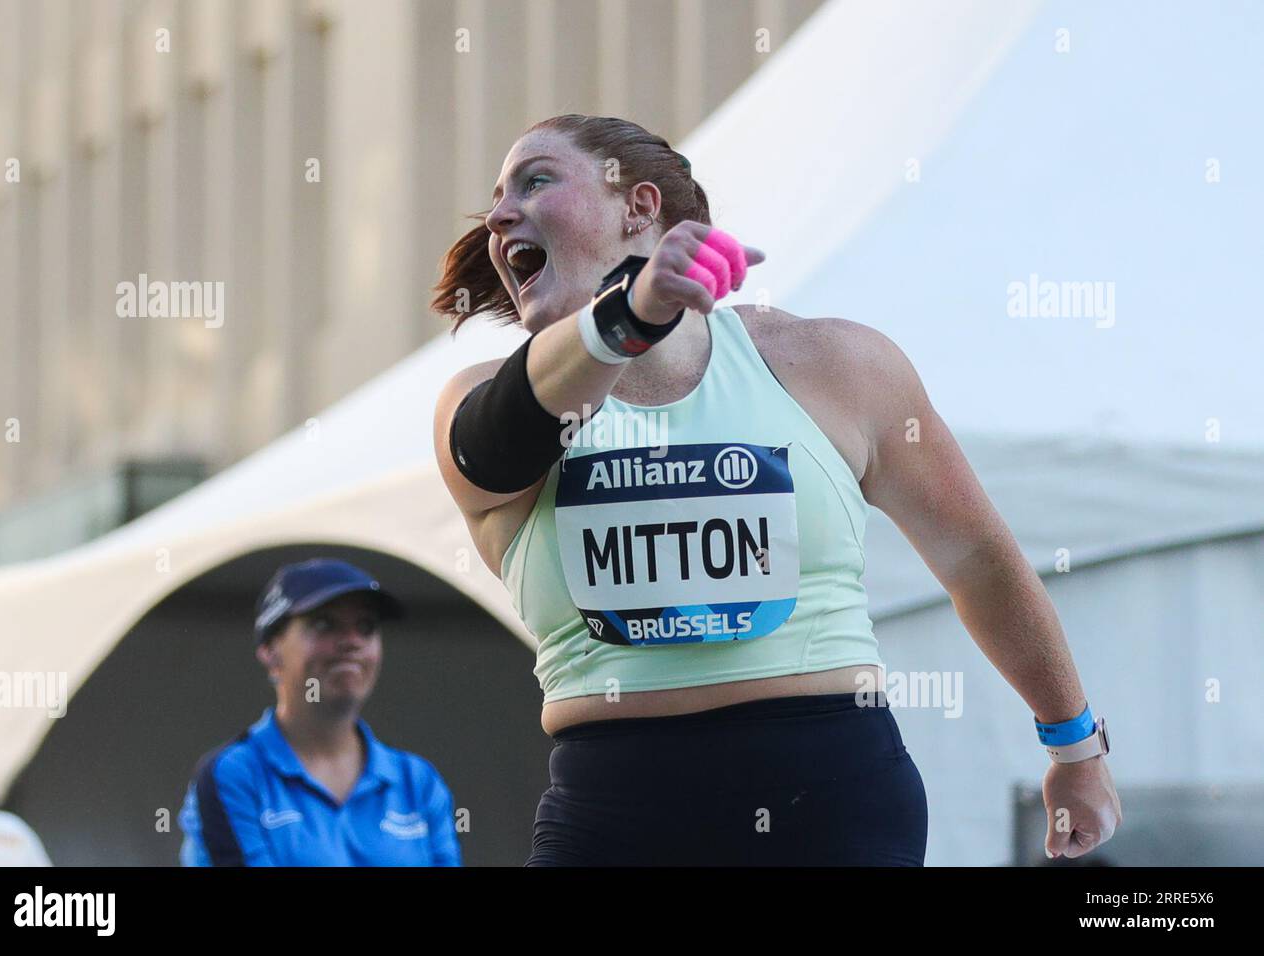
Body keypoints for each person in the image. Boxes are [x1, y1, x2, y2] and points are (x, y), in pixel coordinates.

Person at [431, 114, 1122, 866]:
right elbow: (501, 447)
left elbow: (978, 560)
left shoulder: (829, 364)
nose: (500, 215)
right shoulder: (479, 405)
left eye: (536, 181)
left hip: (829, 804)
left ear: (640, 207)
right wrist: (627, 313)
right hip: (610, 817)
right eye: (498, 196)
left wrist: (1076, 747)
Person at [178, 558, 461, 866]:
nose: (352, 641)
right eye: (325, 624)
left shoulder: (417, 782)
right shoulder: (235, 775)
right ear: (271, 653)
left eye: (366, 627)